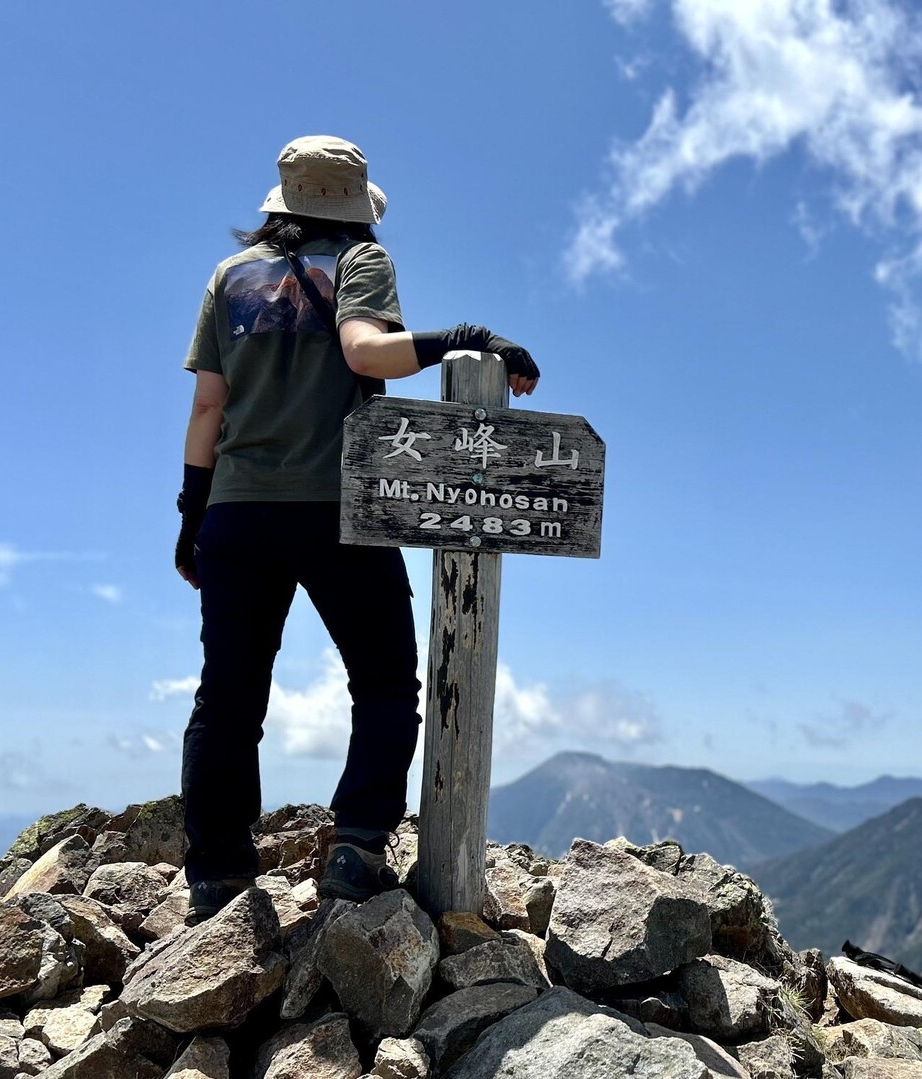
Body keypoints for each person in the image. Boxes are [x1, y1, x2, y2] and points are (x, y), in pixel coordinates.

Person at [175, 135, 540, 924]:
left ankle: (216, 874)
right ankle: (358, 846)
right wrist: (469, 337)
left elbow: (208, 406)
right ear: (352, 206)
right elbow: (366, 353)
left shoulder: (228, 277)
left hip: (236, 509)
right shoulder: (358, 260)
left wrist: (191, 516)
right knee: (383, 681)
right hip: (336, 507)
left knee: (229, 694)